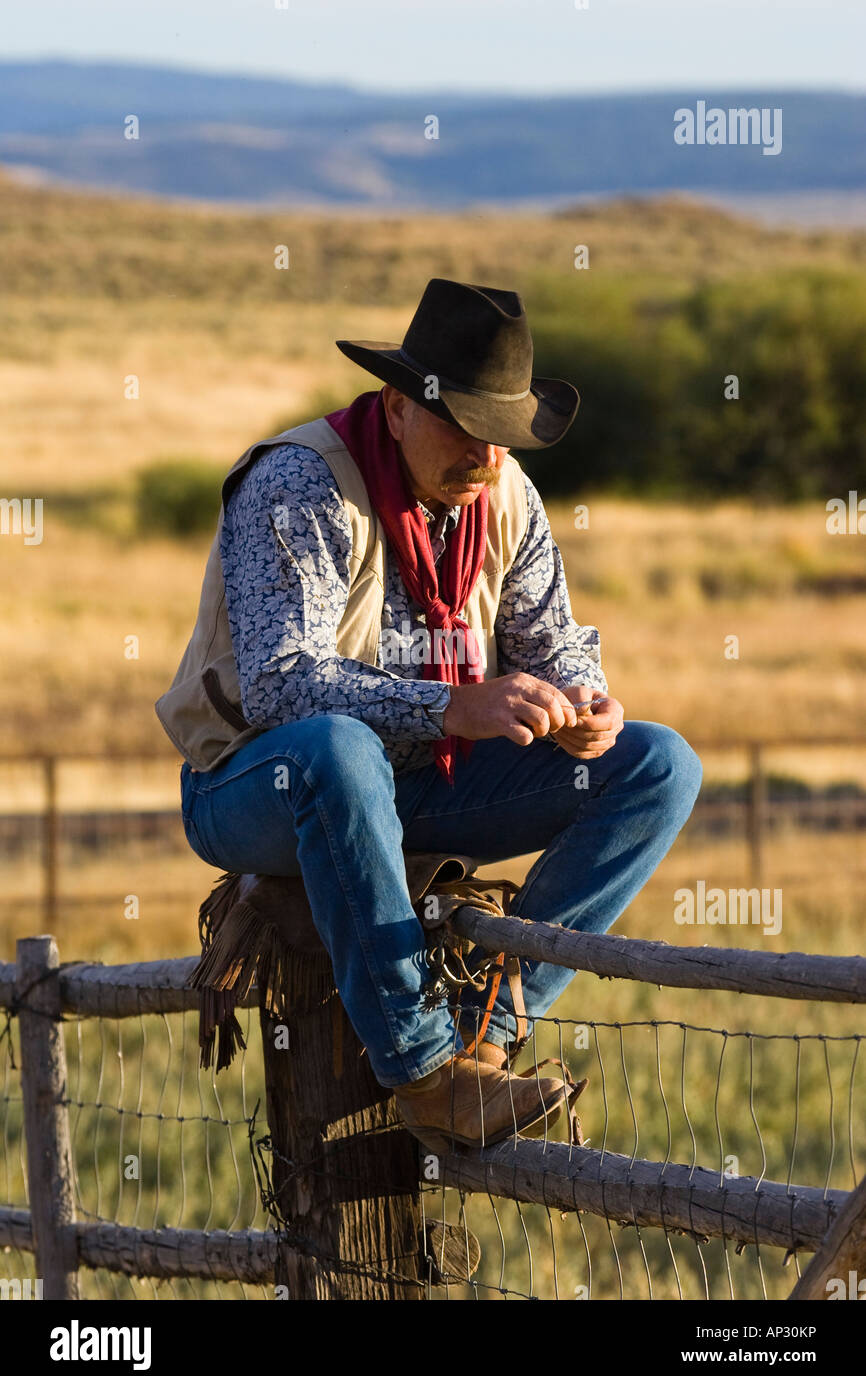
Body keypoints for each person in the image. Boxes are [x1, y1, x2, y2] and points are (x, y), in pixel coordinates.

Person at [155, 277, 702, 1153]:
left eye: (504, 437)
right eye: (467, 429)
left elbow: (551, 635)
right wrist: (454, 705)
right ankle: (424, 1071)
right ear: (398, 407)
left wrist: (584, 702)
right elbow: (282, 685)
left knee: (657, 765)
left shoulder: (504, 492)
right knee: (338, 751)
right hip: (255, 782)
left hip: (420, 786)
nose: (487, 457)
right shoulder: (300, 484)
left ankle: (485, 1034)